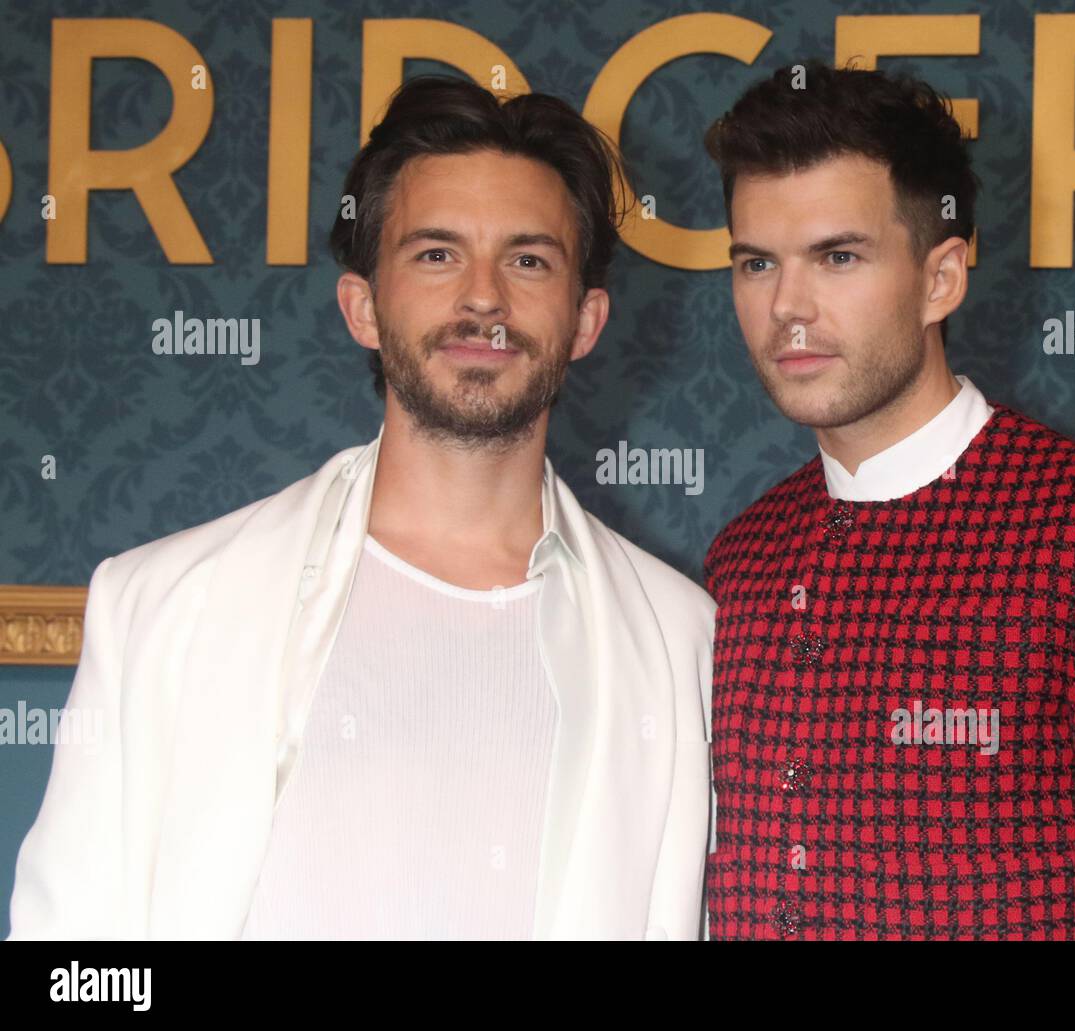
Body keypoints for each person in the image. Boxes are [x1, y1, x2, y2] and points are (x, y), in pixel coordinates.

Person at [9, 75, 714, 941]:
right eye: (435, 253)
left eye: (529, 259)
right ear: (363, 308)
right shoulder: (163, 603)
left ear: (586, 320)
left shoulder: (681, 642)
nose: (483, 297)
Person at [701, 60, 1075, 940]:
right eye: (756, 263)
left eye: (839, 257)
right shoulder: (744, 557)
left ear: (942, 278)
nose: (788, 307)